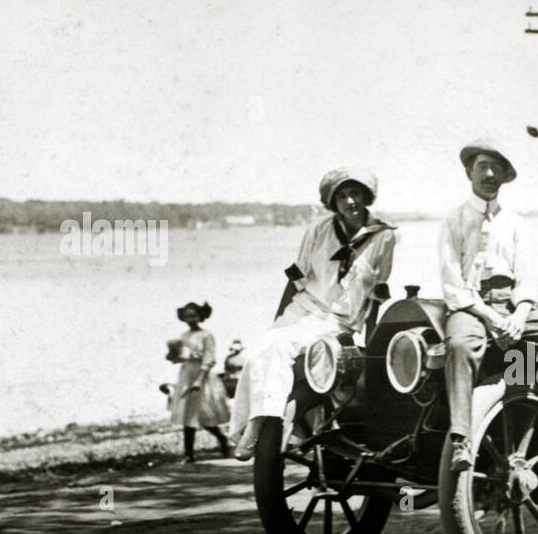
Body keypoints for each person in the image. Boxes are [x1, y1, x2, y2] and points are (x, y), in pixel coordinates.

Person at [439, 137, 538, 474]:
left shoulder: (515, 222)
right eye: (482, 166)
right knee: (459, 345)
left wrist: (520, 314)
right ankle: (461, 441)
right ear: (469, 171)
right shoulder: (453, 220)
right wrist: (488, 317)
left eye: (495, 168)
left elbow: (527, 279)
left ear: (504, 176)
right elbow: (452, 283)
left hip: (512, 306)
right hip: (470, 307)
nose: (488, 174)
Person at [230, 167, 397, 459]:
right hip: (304, 309)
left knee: (310, 362)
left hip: (341, 321)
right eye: (342, 196)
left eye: (355, 193)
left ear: (366, 196)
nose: (349, 202)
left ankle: (280, 428)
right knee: (264, 350)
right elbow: (295, 280)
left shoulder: (383, 237)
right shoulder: (318, 231)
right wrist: (278, 323)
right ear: (333, 202)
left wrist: (370, 343)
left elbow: (376, 294)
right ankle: (257, 424)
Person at [167, 301, 231, 462]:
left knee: (202, 413)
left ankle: (222, 439)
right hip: (186, 375)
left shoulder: (206, 335)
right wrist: (173, 356)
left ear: (201, 316)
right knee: (187, 414)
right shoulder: (184, 336)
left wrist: (199, 380)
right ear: (183, 317)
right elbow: (182, 357)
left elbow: (209, 357)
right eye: (187, 316)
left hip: (201, 375)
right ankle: (189, 454)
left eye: (194, 315)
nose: (191, 319)